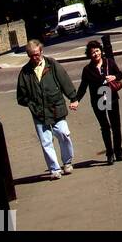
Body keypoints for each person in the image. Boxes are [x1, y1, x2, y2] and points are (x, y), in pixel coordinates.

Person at [16, 39, 78, 180]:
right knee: (46, 142)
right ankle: (54, 169)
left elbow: (64, 81)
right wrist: (31, 104)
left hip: (56, 107)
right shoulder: (25, 72)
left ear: (41, 52)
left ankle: (67, 162)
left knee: (63, 134)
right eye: (31, 55)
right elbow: (21, 96)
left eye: (36, 54)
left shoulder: (52, 64)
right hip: (39, 112)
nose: (34, 58)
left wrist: (73, 97)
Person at [72, 39, 122, 164]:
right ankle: (109, 154)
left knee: (116, 126)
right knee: (105, 127)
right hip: (99, 100)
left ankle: (119, 151)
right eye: (92, 52)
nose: (96, 54)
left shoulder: (109, 62)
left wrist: (114, 77)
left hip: (111, 97)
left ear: (101, 51)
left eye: (97, 51)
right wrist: (76, 100)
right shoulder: (87, 69)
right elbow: (83, 87)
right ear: (89, 55)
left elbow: (120, 74)